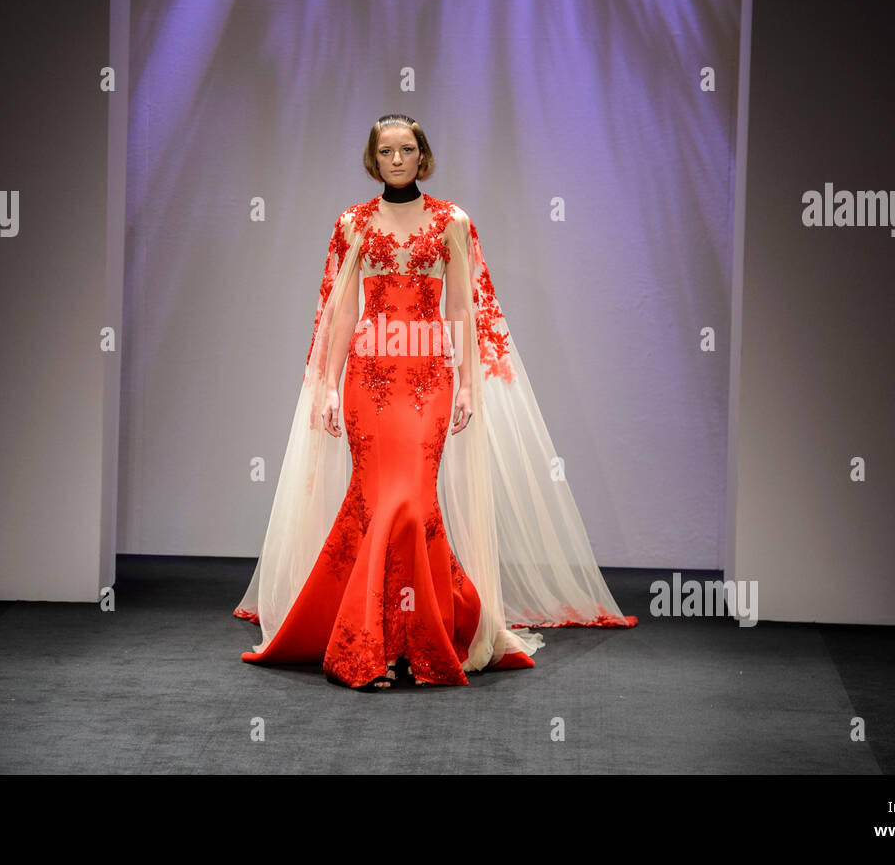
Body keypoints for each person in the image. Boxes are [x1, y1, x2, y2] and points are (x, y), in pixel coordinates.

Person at [234, 113, 636, 690]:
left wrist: (469, 382)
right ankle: (373, 646)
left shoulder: (453, 221)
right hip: (368, 380)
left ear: (423, 156)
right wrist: (326, 384)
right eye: (387, 151)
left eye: (407, 150)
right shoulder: (352, 222)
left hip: (428, 380)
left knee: (413, 504)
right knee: (376, 501)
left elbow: (462, 312)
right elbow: (340, 312)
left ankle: (410, 641)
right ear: (374, 160)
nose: (397, 160)